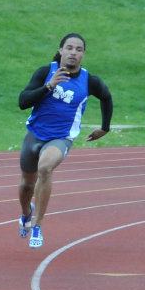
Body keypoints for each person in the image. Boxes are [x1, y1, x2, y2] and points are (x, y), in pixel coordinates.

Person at [17, 33, 112, 249]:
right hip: (34, 135)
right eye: (69, 48)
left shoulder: (89, 81)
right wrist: (49, 86)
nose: (73, 52)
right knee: (26, 186)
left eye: (78, 49)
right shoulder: (45, 72)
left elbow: (106, 97)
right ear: (61, 51)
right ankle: (26, 213)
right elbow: (23, 101)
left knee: (45, 168)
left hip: (61, 137)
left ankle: (37, 224)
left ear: (83, 55)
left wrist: (104, 128)